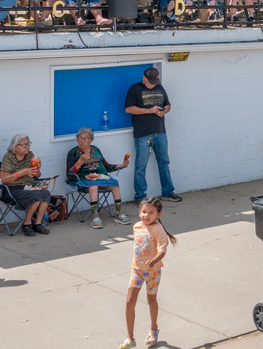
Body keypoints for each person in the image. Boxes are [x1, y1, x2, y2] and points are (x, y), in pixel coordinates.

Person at [120, 197, 177, 349]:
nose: (146, 215)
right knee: (129, 301)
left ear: (159, 214)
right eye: (144, 212)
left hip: (153, 272)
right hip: (137, 270)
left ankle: (154, 329)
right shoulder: (136, 227)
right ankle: (130, 338)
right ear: (139, 212)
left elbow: (162, 250)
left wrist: (153, 260)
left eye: (151, 212)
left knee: (151, 300)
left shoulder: (158, 230)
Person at [125, 67, 181, 203]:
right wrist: (150, 110)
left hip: (160, 132)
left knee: (164, 163)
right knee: (140, 166)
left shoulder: (159, 87)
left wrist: (164, 111)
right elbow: (128, 109)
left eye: (154, 82)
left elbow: (168, 105)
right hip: (143, 133)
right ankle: (140, 197)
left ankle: (168, 192)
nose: (153, 84)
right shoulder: (135, 89)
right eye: (150, 82)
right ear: (144, 78)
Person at [66, 127, 133, 229]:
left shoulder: (96, 149)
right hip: (84, 179)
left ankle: (119, 214)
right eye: (79, 138)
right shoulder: (73, 152)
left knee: (114, 184)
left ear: (91, 140)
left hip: (102, 177)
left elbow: (107, 166)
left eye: (85, 139)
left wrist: (122, 165)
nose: (81, 141)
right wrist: (81, 160)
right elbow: (69, 172)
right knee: (94, 185)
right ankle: (95, 217)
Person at [0, 134, 51, 236]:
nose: (27, 147)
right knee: (34, 197)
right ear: (15, 146)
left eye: (28, 144)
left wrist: (37, 171)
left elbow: (36, 175)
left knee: (45, 193)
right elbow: (3, 180)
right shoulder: (9, 157)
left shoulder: (30, 155)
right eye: (24, 145)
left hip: (29, 185)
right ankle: (27, 224)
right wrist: (21, 173)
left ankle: (38, 223)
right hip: (12, 188)